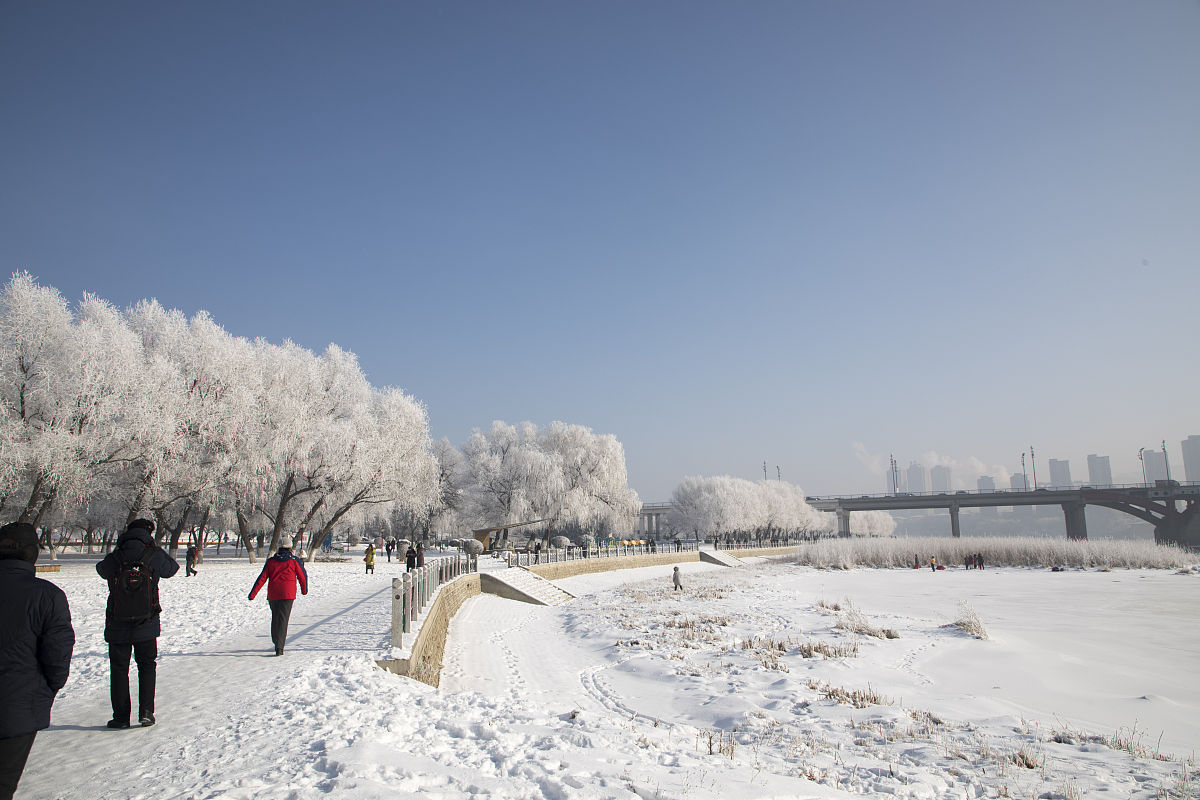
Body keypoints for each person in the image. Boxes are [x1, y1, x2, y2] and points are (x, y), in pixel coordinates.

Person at [0, 522, 74, 800]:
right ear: (32, 554)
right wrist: (45, 691)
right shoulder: (47, 595)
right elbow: (57, 656)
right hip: (16, 710)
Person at [96, 518, 179, 728]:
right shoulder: (152, 553)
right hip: (146, 622)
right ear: (148, 533)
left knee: (119, 669)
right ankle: (146, 712)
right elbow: (172, 569)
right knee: (147, 666)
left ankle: (121, 717)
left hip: (117, 622)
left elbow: (101, 570)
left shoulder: (118, 554)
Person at [248, 537, 308, 656]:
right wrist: (304, 590)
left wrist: (253, 594)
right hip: (288, 594)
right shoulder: (294, 560)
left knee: (275, 618)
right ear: (290, 547)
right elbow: (302, 575)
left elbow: (262, 578)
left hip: (273, 594)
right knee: (283, 619)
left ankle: (276, 641)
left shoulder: (271, 561)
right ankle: (279, 647)